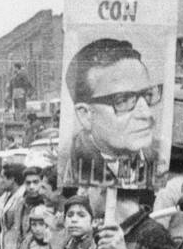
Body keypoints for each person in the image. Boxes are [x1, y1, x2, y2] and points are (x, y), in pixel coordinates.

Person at [64, 38, 160, 187]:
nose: (147, 114)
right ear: (85, 115)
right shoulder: (69, 172)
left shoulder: (161, 160)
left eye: (147, 95)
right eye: (122, 100)